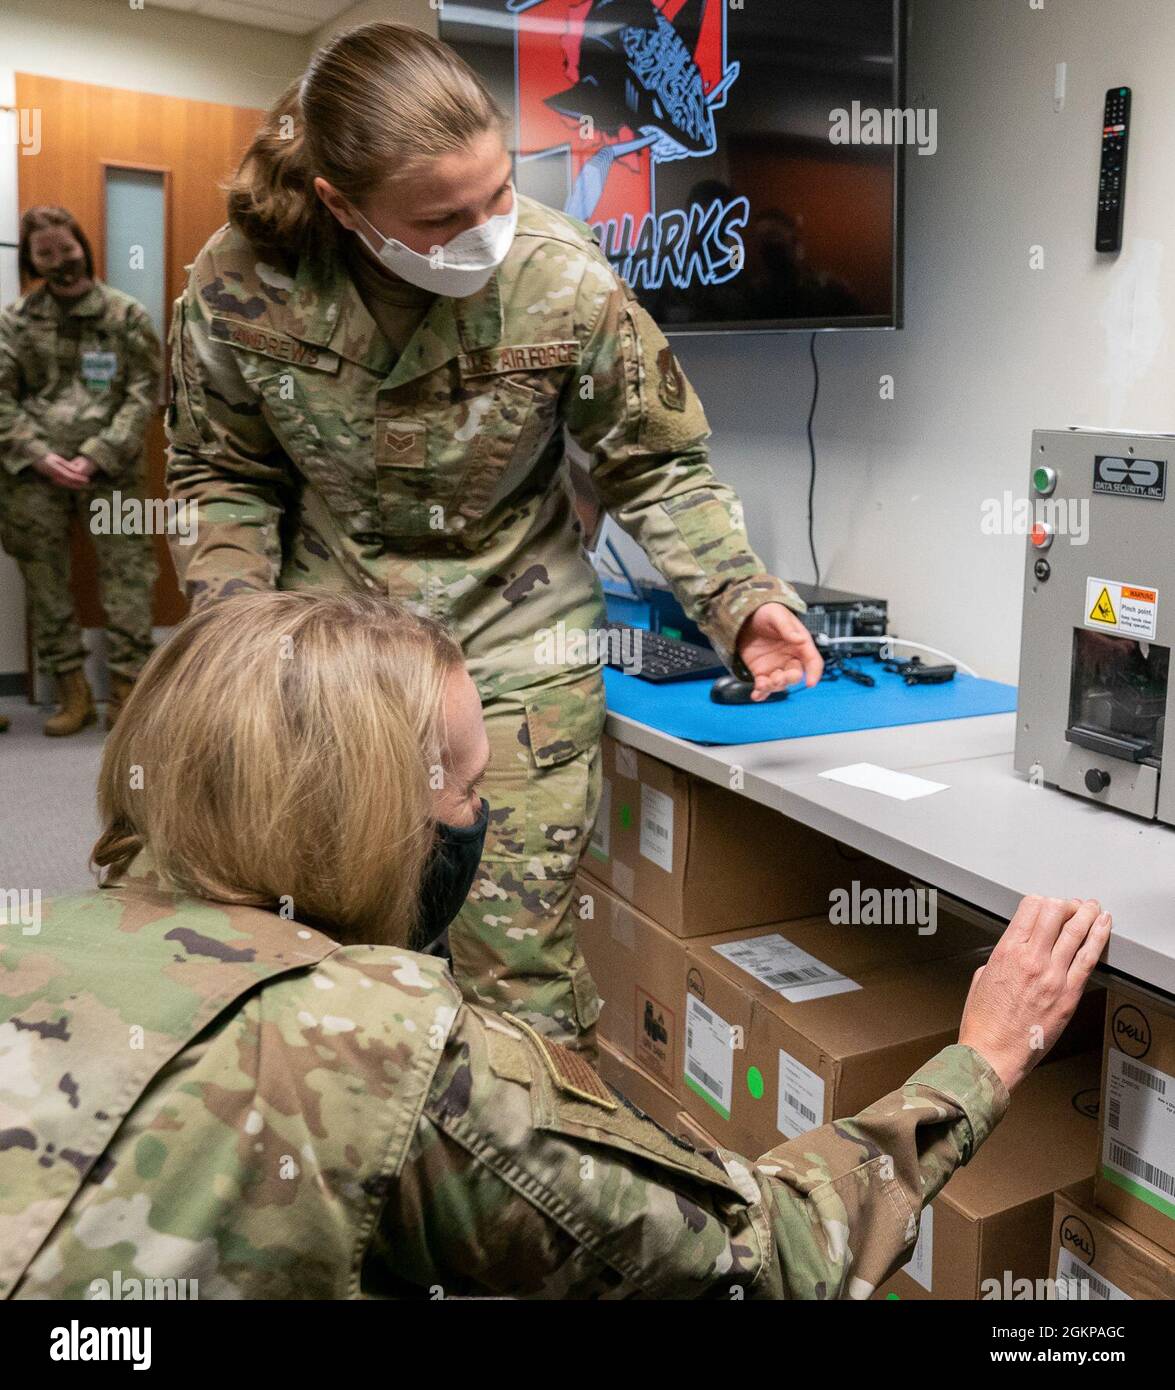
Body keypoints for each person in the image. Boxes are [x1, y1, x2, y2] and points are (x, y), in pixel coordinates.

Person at [0, 591, 1110, 1300]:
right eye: (469, 789)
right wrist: (980, 1059)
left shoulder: (40, 933)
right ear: (364, 819)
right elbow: (761, 1259)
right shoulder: (381, 1043)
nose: (482, 821)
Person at [165, 22, 824, 1059]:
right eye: (441, 218)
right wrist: (237, 639)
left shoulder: (559, 274)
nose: (485, 231)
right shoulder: (242, 281)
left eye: (499, 193)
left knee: (513, 975)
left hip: (516, 651)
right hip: (330, 661)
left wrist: (741, 597)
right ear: (342, 205)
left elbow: (650, 462)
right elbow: (220, 474)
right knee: (321, 952)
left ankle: (532, 1202)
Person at [0, 206, 160, 735]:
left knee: (129, 577)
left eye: (65, 250)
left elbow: (144, 394)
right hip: (33, 472)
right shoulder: (15, 321)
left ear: (82, 246)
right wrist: (40, 454)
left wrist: (97, 454)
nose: (59, 262)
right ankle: (73, 693)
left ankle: (128, 694)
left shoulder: (127, 315)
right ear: (31, 260)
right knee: (46, 581)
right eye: (44, 255)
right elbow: (1, 398)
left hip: (111, 469)